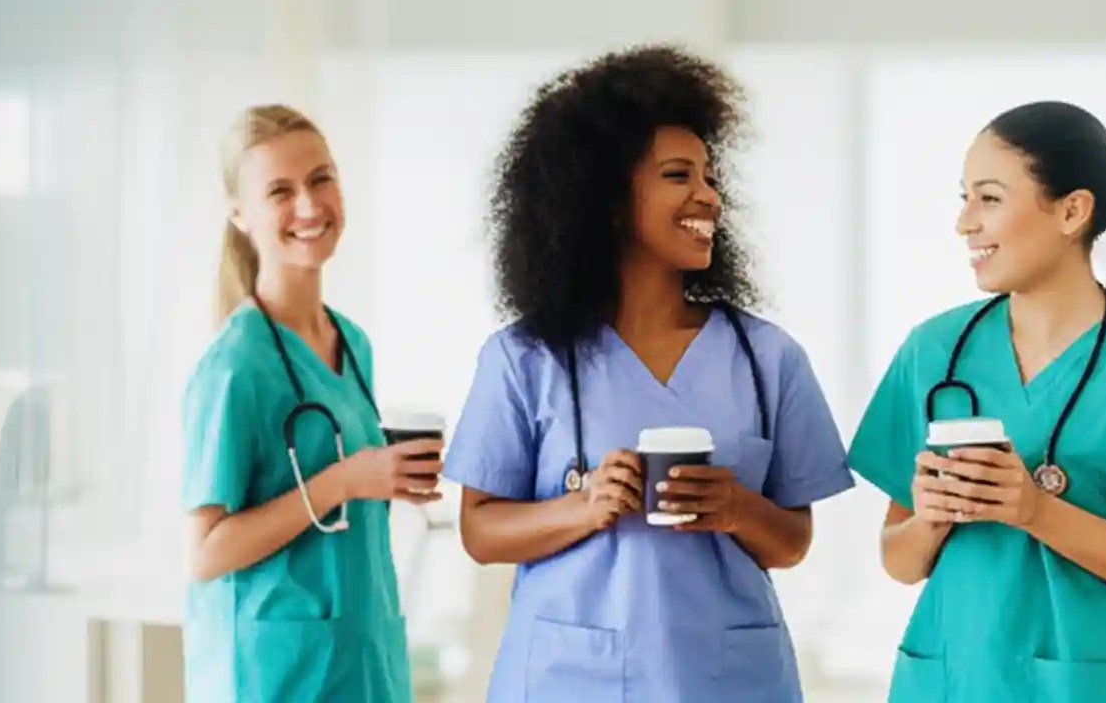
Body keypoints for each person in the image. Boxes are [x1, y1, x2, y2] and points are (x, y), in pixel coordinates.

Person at [442, 45, 855, 702]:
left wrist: (735, 507)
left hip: (729, 679)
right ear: (605, 198)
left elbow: (792, 541)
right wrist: (583, 507)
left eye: (711, 177)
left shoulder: (767, 357)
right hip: (570, 679)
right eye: (678, 174)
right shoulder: (526, 358)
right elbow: (480, 531)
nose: (708, 196)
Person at [849, 100, 1106, 702]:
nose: (965, 222)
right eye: (963, 198)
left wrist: (1035, 511)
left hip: (1093, 685)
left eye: (988, 198)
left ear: (1073, 211)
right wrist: (932, 517)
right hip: (949, 678)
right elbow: (899, 561)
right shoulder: (934, 351)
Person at [180, 104, 444, 702]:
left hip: (362, 659)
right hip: (276, 675)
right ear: (240, 215)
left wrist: (387, 480)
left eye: (321, 179)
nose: (309, 205)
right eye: (280, 190)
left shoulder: (352, 344)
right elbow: (204, 552)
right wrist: (344, 480)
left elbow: (340, 496)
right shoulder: (234, 365)